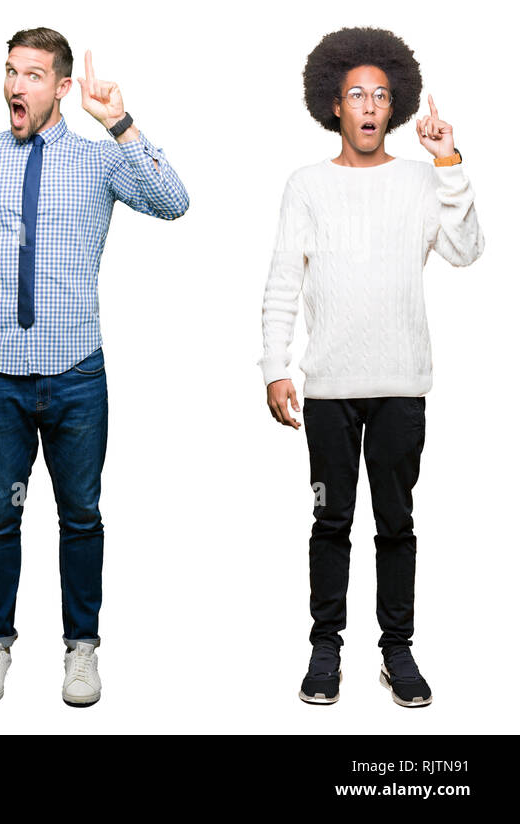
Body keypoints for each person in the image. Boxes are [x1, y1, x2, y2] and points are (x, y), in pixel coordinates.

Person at [0, 27, 188, 707]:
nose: (17, 86)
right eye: (11, 72)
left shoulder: (101, 162)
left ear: (63, 87)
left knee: (81, 515)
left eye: (34, 75)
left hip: (76, 378)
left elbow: (174, 202)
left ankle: (82, 649)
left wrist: (123, 124)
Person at [258, 27, 483, 708]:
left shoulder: (421, 180)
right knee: (330, 523)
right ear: (334, 103)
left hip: (400, 387)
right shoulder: (306, 185)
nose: (367, 105)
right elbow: (281, 283)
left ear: (395, 107)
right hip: (328, 389)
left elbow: (468, 250)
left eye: (380, 96)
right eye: (355, 93)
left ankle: (398, 650)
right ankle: (326, 649)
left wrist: (450, 163)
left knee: (396, 524)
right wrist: (276, 366)